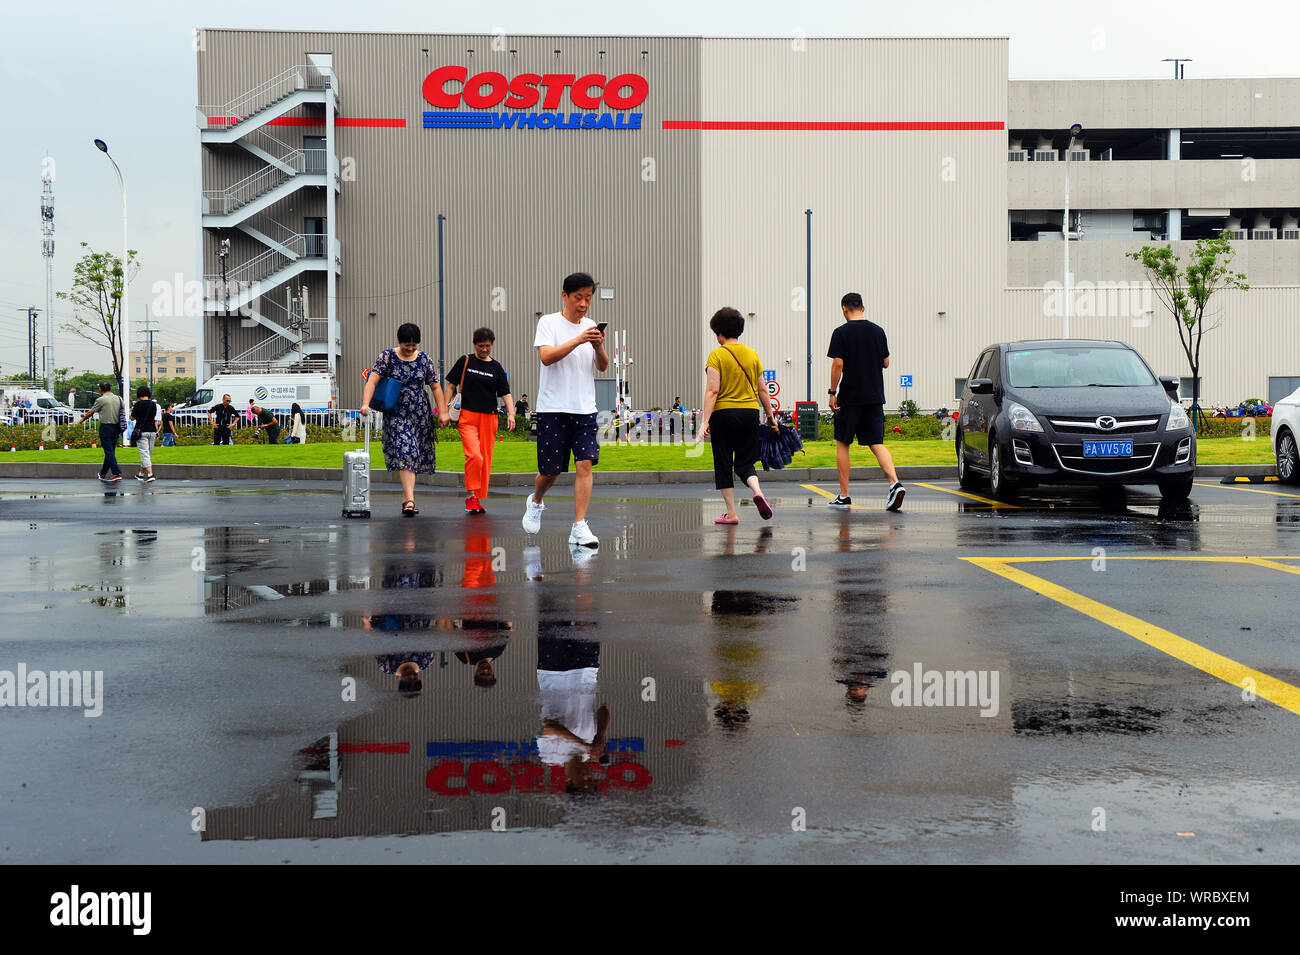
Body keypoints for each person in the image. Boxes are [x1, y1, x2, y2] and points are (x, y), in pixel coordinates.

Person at [522, 272, 609, 548]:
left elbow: (603, 366)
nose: (583, 304)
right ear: (564, 296)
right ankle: (536, 500)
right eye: (578, 298)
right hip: (553, 408)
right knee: (550, 472)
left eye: (588, 298)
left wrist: (599, 346)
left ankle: (579, 526)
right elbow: (546, 357)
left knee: (585, 464)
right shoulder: (548, 322)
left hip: (585, 409)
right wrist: (579, 340)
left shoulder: (591, 326)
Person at [360, 322, 450, 516]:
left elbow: (435, 386)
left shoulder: (425, 359)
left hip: (420, 412)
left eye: (414, 345)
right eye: (406, 345)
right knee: (406, 450)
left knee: (414, 453)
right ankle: (409, 501)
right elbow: (373, 380)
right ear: (398, 341)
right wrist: (365, 403)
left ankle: (406, 495)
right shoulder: (387, 357)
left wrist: (443, 412)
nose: (410, 349)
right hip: (397, 411)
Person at [697, 307, 777, 524]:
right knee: (745, 462)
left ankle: (731, 513)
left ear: (720, 332)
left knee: (723, 462)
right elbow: (762, 389)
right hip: (750, 413)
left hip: (724, 414)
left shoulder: (717, 355)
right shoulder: (752, 354)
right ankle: (757, 491)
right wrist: (771, 417)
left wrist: (705, 421)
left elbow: (713, 390)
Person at [827, 292, 905, 511]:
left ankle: (844, 496)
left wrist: (832, 392)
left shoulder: (841, 332)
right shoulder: (878, 331)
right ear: (863, 307)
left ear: (844, 309)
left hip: (850, 397)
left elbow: (838, 364)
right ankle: (894, 483)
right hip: (874, 396)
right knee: (876, 442)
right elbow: (886, 362)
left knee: (843, 442)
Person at [446, 327, 515, 515]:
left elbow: (505, 393)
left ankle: (476, 496)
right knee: (474, 456)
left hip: (489, 417)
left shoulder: (496, 367)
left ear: (492, 345)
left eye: (488, 346)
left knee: (485, 459)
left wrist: (511, 414)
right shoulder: (465, 361)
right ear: (474, 344)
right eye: (481, 346)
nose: (484, 349)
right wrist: (444, 410)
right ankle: (470, 494)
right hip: (467, 416)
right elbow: (451, 385)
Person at [78, 382, 123, 482]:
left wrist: (82, 420)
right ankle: (102, 473)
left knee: (108, 451)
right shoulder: (119, 398)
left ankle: (116, 473)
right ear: (111, 388)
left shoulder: (100, 400)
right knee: (111, 451)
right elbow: (122, 412)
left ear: (100, 390)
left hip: (106, 427)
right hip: (116, 427)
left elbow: (91, 412)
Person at [129, 385, 160, 483]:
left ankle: (150, 475)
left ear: (139, 394)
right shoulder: (153, 404)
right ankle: (140, 474)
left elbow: (132, 418)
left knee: (144, 454)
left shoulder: (138, 404)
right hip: (152, 431)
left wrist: (133, 411)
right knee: (147, 454)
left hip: (141, 432)